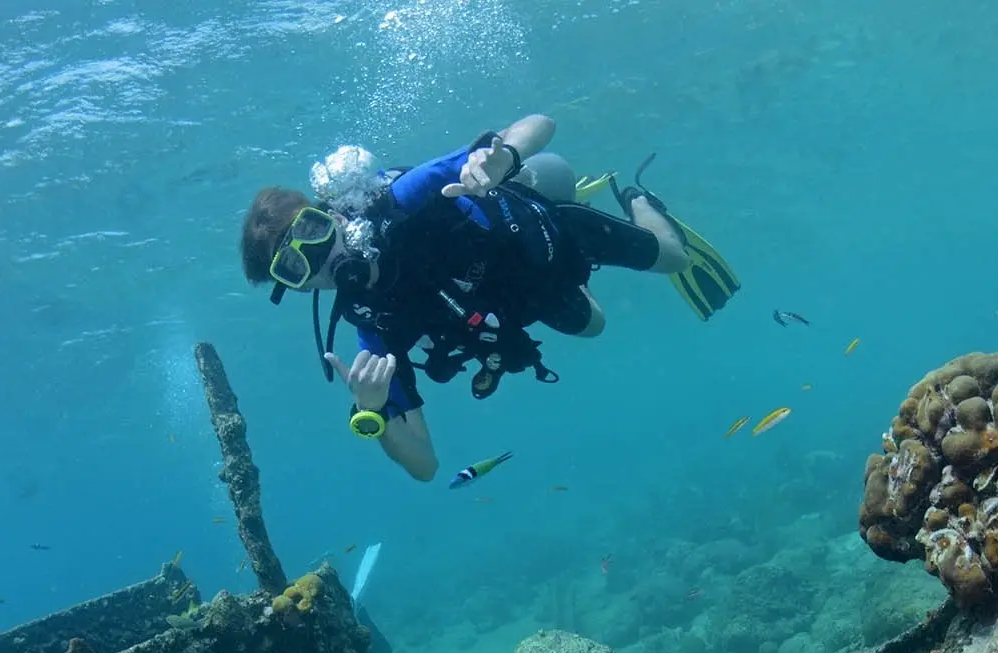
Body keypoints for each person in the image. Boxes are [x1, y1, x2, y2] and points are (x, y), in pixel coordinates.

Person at [238, 115, 740, 481]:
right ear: (298, 287)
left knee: (674, 257)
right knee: (594, 325)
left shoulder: (402, 198)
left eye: (314, 230)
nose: (324, 257)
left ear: (333, 214)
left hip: (540, 234)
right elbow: (427, 467)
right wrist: (371, 416)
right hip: (519, 297)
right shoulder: (375, 327)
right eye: (296, 268)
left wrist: (501, 158)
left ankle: (635, 200)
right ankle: (569, 213)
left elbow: (541, 122)